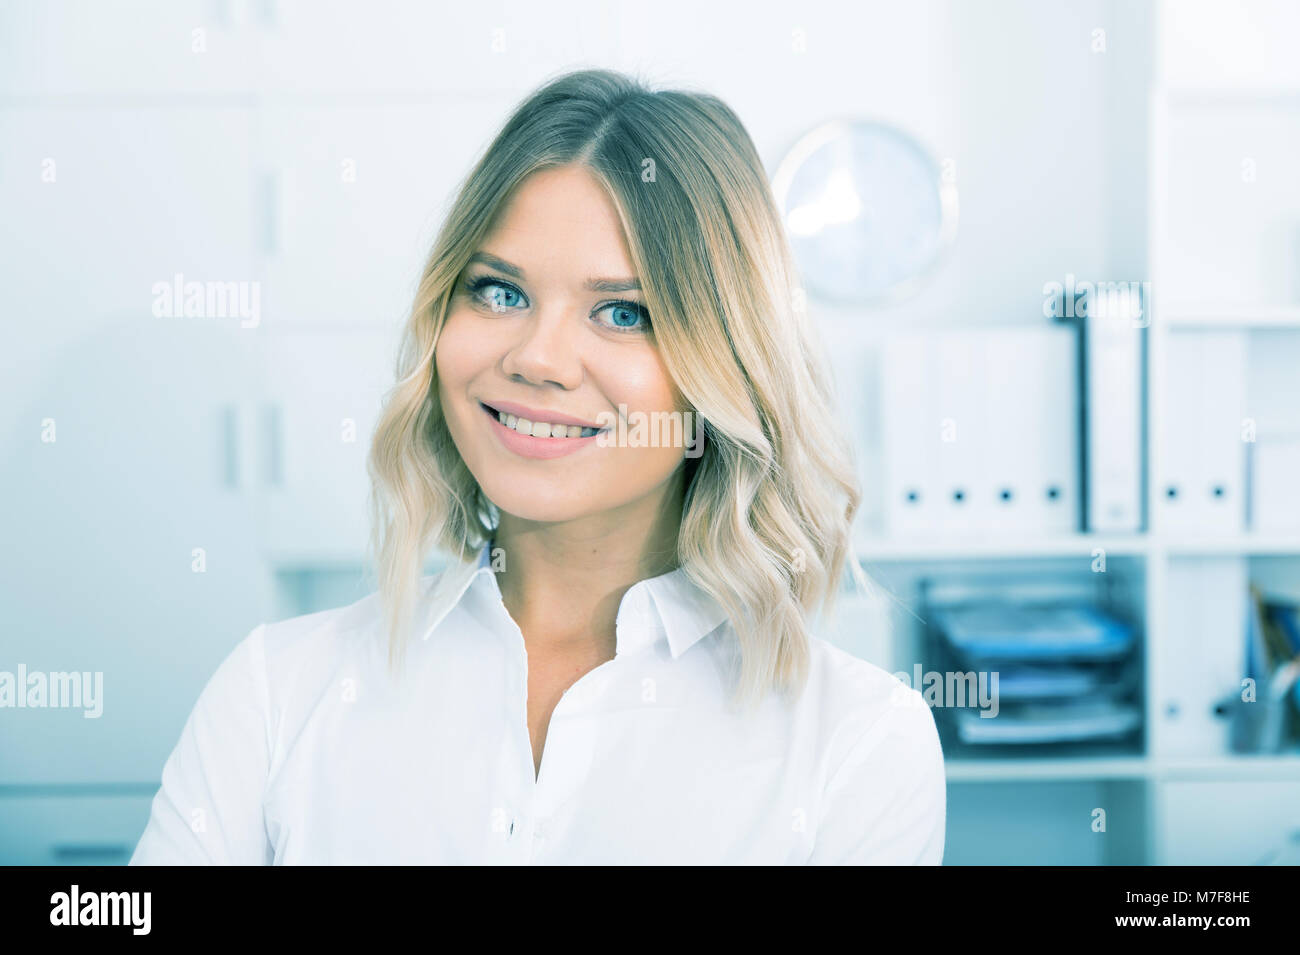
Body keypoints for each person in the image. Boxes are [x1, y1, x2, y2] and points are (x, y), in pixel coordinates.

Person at [130, 68, 945, 865]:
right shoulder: (276, 691)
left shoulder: (861, 745)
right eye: (499, 293)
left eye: (623, 311)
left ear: (727, 362)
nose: (539, 357)